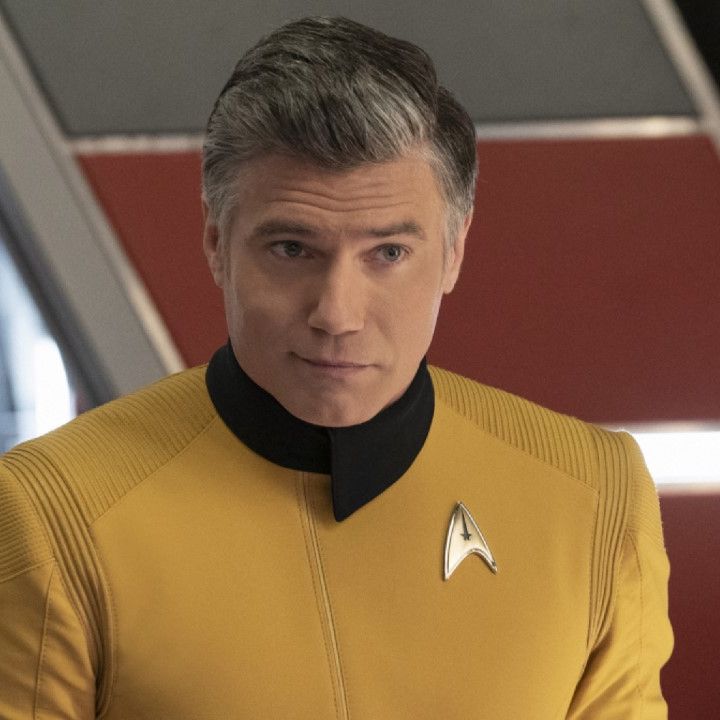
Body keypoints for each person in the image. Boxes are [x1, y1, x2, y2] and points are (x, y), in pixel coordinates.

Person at [0, 16, 672, 719]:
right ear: (216, 243)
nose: (337, 313)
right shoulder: (52, 512)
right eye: (292, 249)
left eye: (388, 253)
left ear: (454, 251)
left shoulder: (595, 494)